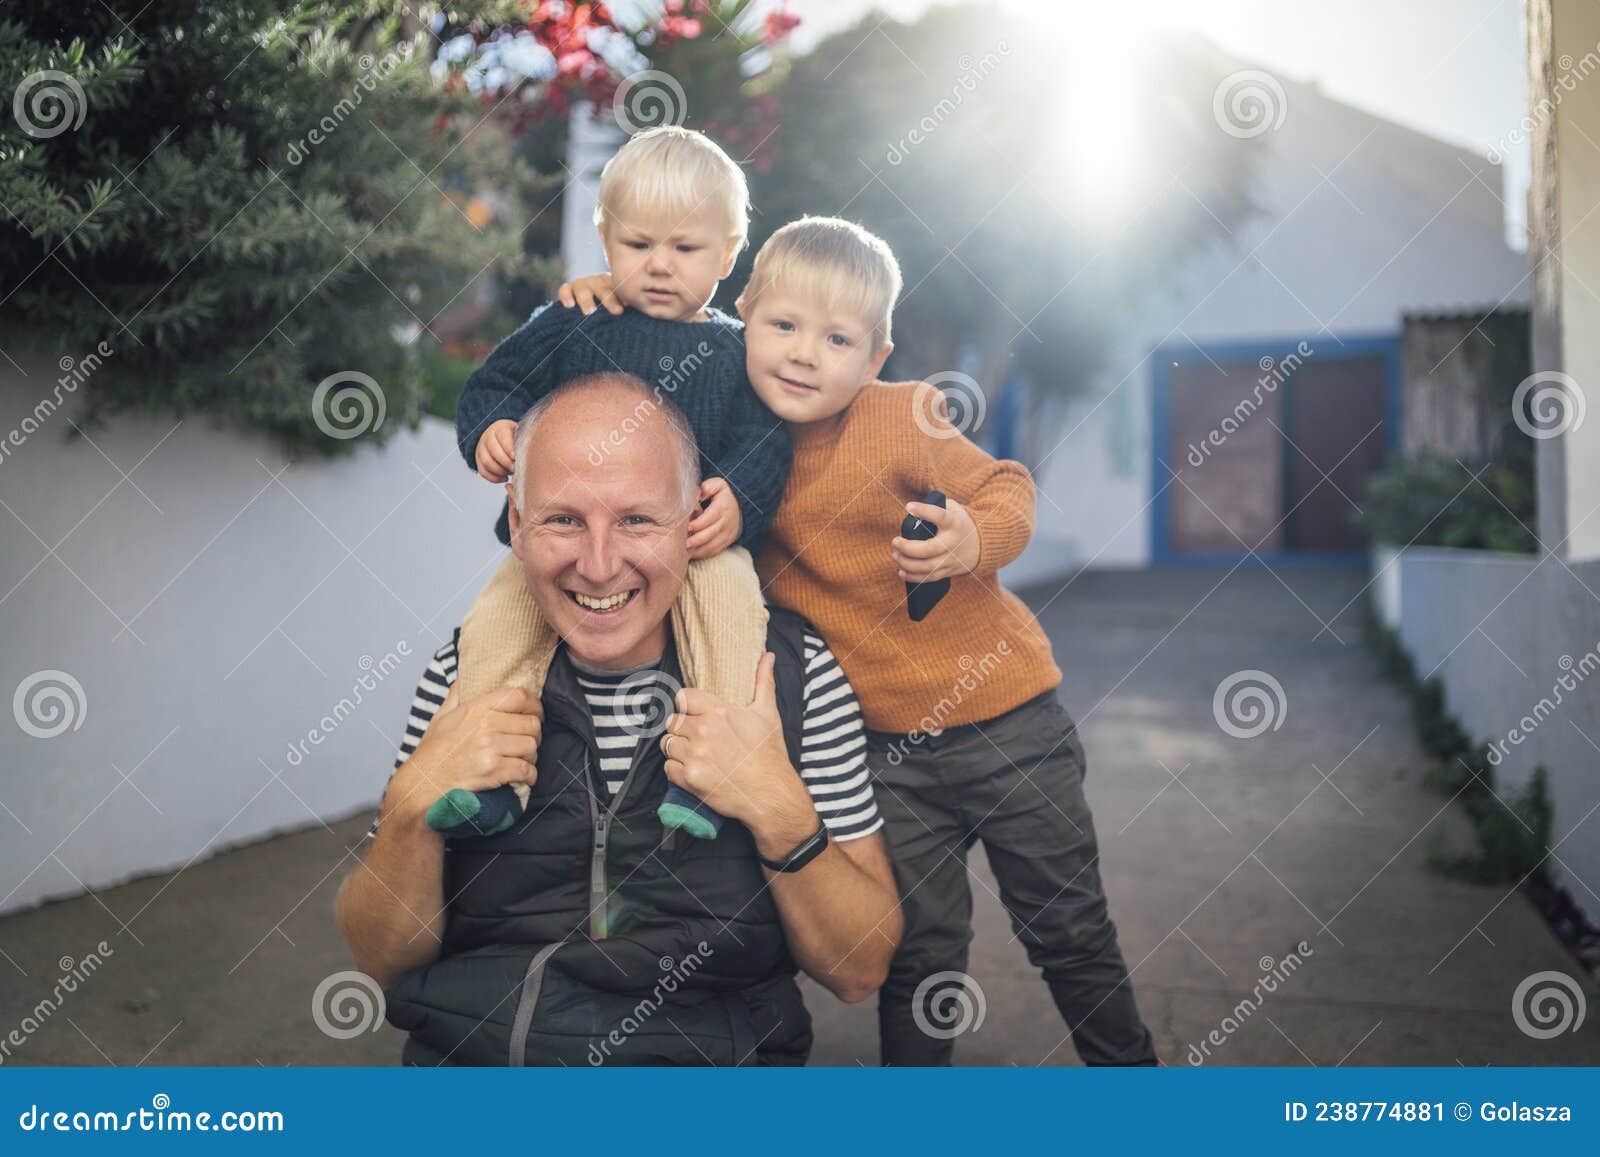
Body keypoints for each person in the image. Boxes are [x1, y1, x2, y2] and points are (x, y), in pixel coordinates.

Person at [559, 217, 1161, 1066]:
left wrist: (970, 541)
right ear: (741, 324)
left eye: (837, 338)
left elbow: (1006, 489)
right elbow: (641, 354)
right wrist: (600, 299)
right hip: (887, 753)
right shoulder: (718, 430)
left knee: (1067, 926)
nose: (805, 354)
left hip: (1006, 722)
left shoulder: (897, 417)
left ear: (874, 359)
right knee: (920, 951)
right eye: (784, 327)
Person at [334, 374, 901, 1066]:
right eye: (564, 519)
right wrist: (407, 807)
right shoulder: (467, 672)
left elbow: (860, 966)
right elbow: (379, 960)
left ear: (694, 519)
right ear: (516, 523)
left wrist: (780, 808)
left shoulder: (790, 672)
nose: (599, 565)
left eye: (637, 520)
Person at [438, 125, 788, 839]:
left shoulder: (732, 349)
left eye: (685, 249)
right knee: (495, 626)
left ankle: (708, 780)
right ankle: (491, 778)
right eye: (638, 246)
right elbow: (495, 381)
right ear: (606, 241)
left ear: (727, 252)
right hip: (562, 547)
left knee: (732, 615)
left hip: (693, 540)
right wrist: (493, 428)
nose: (659, 265)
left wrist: (740, 499)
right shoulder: (576, 319)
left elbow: (768, 435)